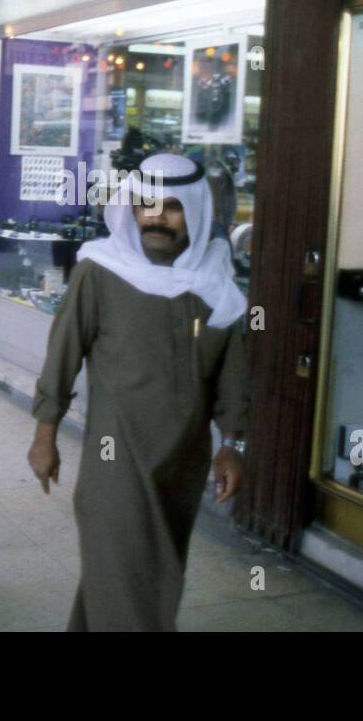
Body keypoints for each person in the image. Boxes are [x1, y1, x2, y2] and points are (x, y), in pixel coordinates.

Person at [26, 152, 251, 631]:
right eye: (147, 204)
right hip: (114, 462)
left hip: (180, 466)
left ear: (194, 212)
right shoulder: (101, 270)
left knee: (138, 580)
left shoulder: (217, 283)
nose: (157, 217)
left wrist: (232, 446)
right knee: (134, 586)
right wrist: (44, 435)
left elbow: (232, 378)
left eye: (172, 207)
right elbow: (62, 354)